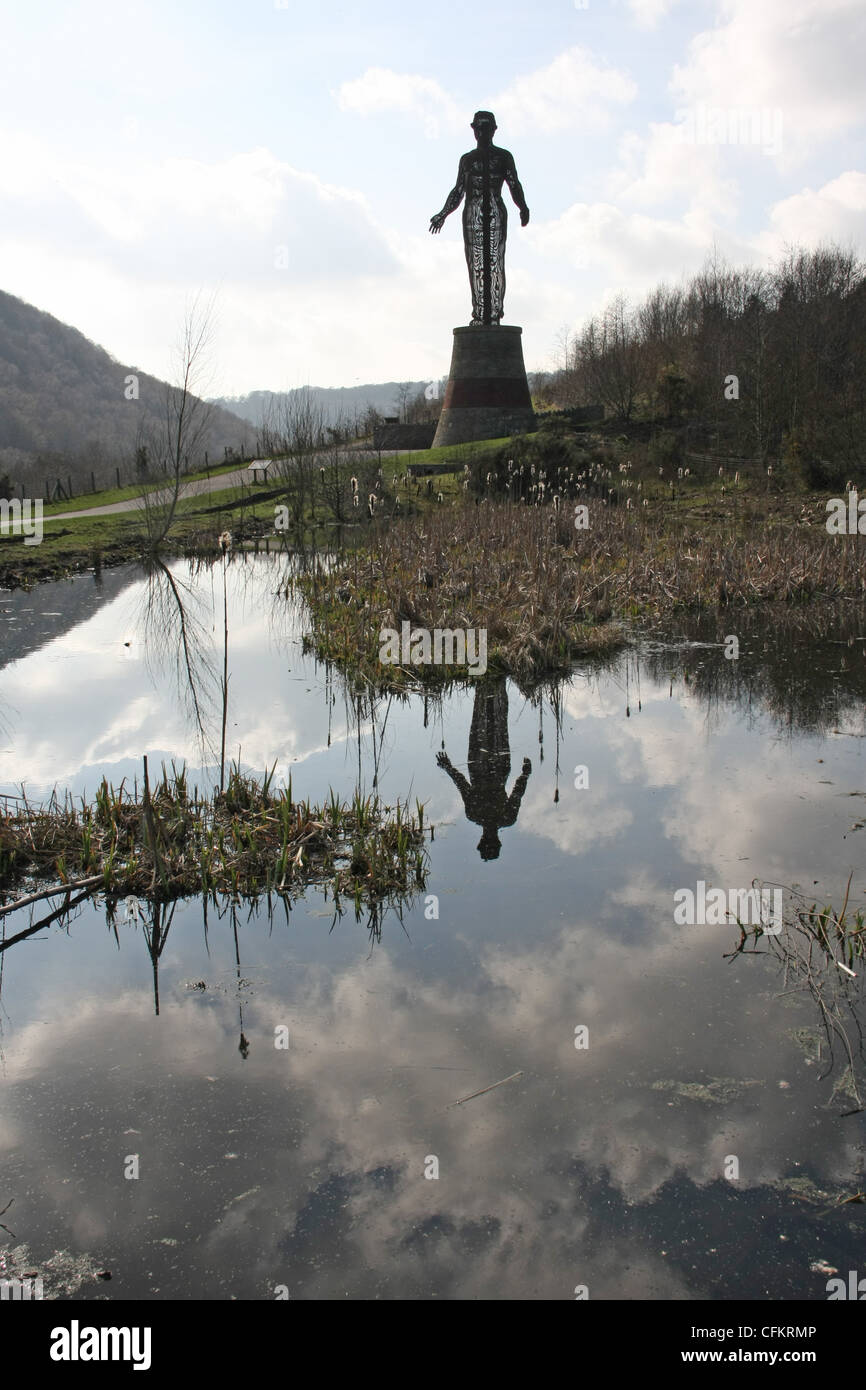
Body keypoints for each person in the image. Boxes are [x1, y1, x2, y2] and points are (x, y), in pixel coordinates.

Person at [430, 111, 530, 326]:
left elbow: (514, 184)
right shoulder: (467, 160)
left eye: (486, 128)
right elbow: (458, 191)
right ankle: (479, 312)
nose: (482, 132)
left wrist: (522, 207)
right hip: (472, 214)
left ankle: (493, 313)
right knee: (476, 264)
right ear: (473, 130)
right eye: (478, 128)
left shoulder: (504, 157)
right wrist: (443, 214)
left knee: (495, 262)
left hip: (494, 210)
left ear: (494, 130)